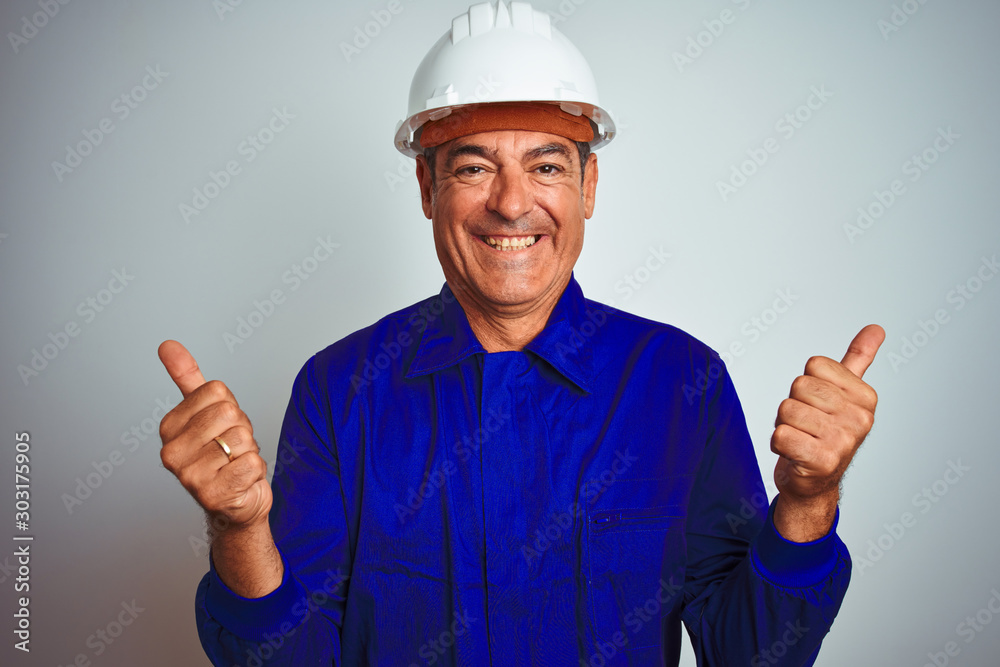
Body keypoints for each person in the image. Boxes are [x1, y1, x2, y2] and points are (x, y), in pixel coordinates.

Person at [158, 2, 884, 664]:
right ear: (426, 189)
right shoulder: (338, 389)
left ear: (587, 187)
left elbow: (753, 653)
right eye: (475, 166)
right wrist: (241, 530)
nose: (512, 203)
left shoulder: (679, 383)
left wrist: (808, 499)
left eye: (545, 164)